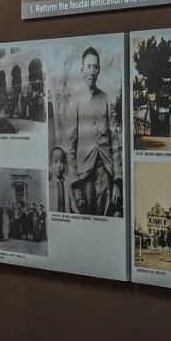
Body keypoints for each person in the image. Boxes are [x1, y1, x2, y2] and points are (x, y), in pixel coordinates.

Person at [67, 46, 122, 216]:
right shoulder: (74, 101)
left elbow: (115, 143)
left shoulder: (106, 99)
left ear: (99, 70)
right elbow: (69, 146)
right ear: (82, 70)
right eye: (89, 66)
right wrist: (75, 184)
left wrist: (117, 181)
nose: (92, 71)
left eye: (95, 67)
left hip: (106, 174)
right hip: (83, 177)